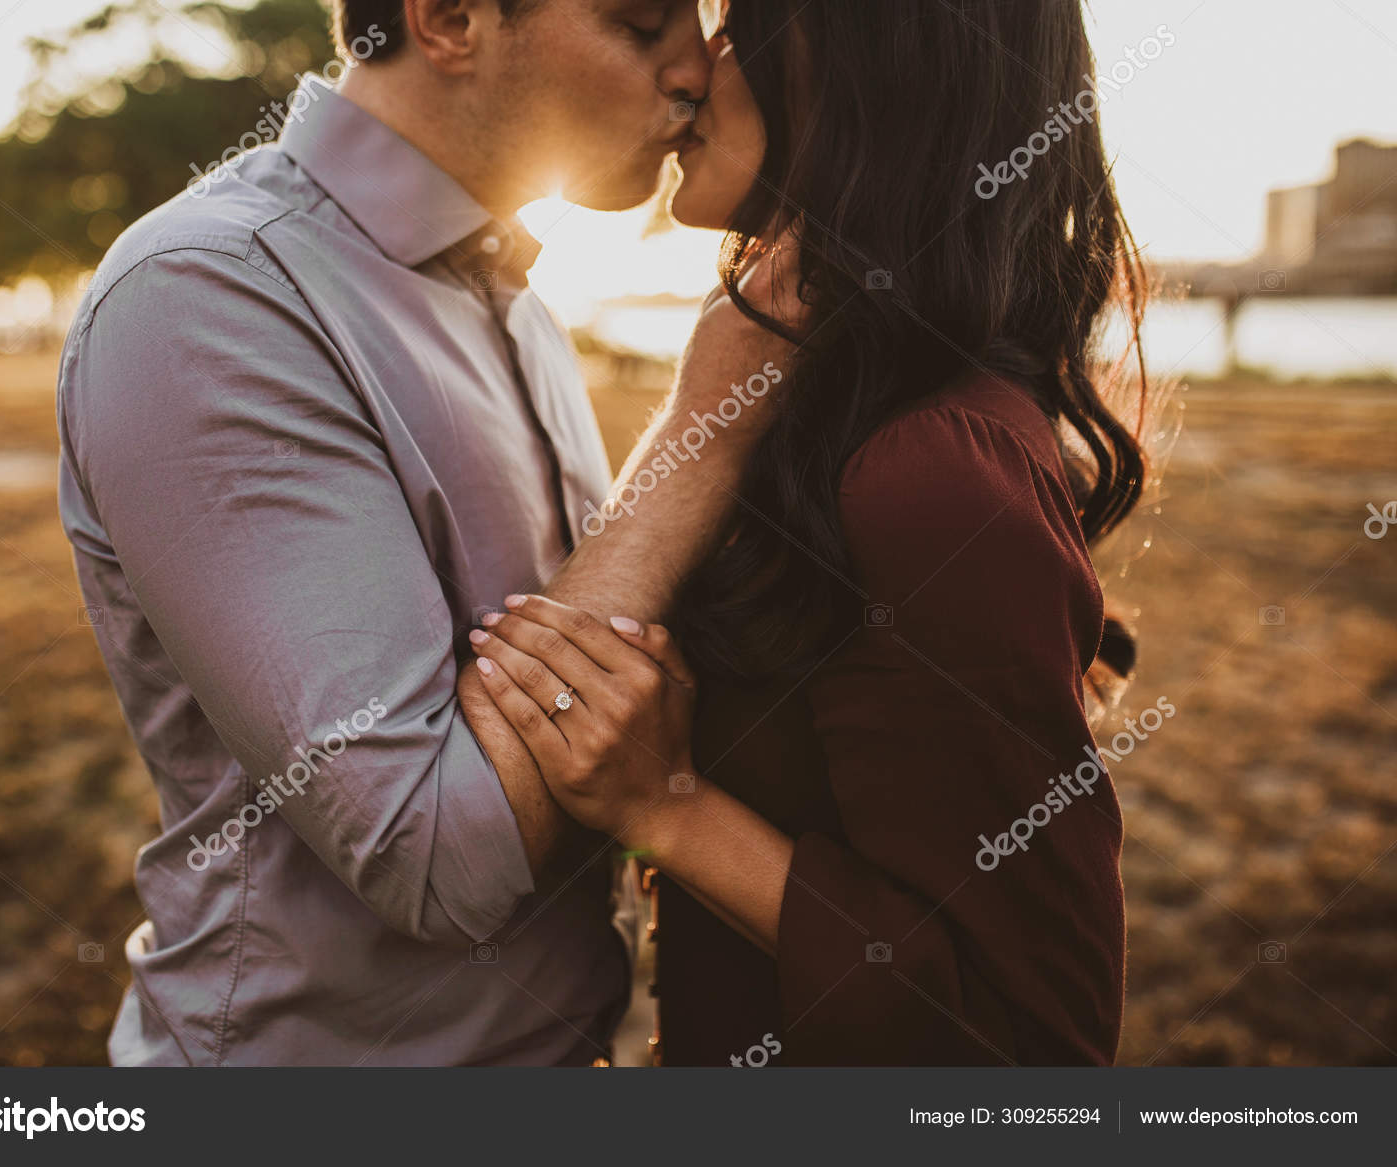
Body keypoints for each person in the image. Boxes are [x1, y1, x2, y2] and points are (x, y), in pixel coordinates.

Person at [57, 0, 791, 1065]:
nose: (699, 70)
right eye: (640, 25)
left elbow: (606, 673)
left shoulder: (515, 303)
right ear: (447, 19)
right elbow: (437, 857)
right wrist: (704, 435)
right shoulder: (213, 292)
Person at [466, 0, 1152, 1065]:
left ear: (854, 74)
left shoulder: (928, 470)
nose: (691, 68)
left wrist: (671, 806)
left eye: (734, 29)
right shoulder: (837, 403)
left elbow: (1034, 1037)